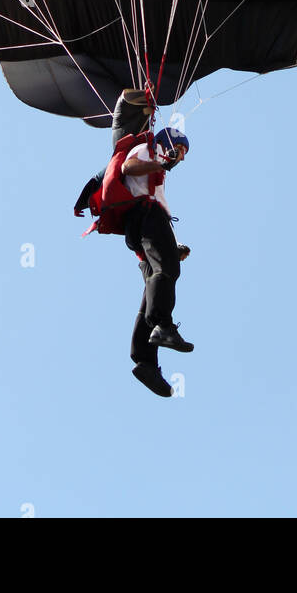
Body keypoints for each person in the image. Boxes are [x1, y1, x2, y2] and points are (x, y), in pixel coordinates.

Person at [123, 119, 193, 397]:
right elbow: (129, 168)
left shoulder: (157, 168)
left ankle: (145, 361)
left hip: (144, 221)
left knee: (153, 283)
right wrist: (160, 163)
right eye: (178, 150)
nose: (179, 158)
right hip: (146, 216)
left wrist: (173, 245)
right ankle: (162, 326)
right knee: (168, 272)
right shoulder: (146, 150)